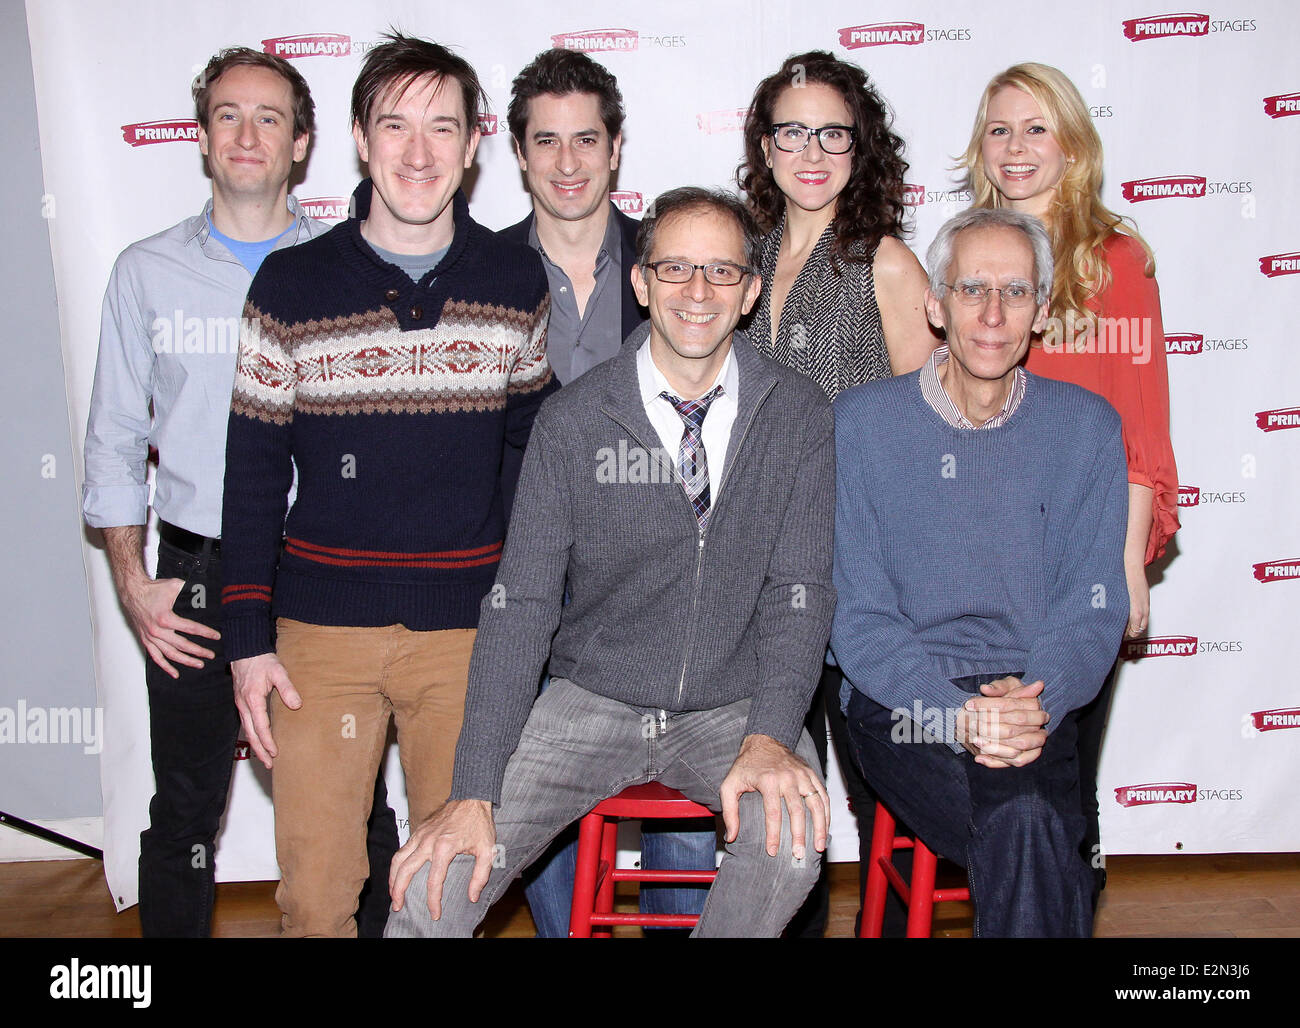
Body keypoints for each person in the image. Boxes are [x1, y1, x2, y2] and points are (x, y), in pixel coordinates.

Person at [384, 187, 833, 939]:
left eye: (723, 272)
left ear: (752, 291)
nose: (697, 292)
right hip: (591, 698)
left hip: (736, 705)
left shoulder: (799, 414)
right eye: (675, 268)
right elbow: (521, 603)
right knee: (438, 880)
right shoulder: (573, 420)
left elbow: (801, 590)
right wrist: (472, 790)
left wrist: (771, 737)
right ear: (641, 281)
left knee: (788, 845)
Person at [218, 33, 555, 937]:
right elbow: (250, 474)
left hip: (467, 638)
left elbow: (535, 453)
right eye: (394, 125)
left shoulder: (514, 277)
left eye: (442, 127)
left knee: (449, 896)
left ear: (475, 144)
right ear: (360, 142)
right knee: (318, 901)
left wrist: (536, 609)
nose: (418, 152)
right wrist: (247, 638)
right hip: (320, 637)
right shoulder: (291, 283)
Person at [81, 46, 398, 938]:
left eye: (269, 118)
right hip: (194, 573)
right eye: (228, 114)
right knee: (183, 808)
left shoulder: (348, 265)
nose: (247, 133)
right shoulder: (144, 273)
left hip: (323, 573)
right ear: (203, 137)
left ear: (302, 144)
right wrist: (135, 583)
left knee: (358, 805)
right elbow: (111, 438)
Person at [832, 206, 1129, 937]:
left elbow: (1093, 604)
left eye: (1016, 292)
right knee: (1034, 824)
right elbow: (859, 616)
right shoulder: (862, 424)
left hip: (1031, 694)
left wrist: (1032, 701)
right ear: (935, 304)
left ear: (1042, 310)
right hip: (902, 702)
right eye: (971, 290)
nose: (993, 313)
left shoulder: (1086, 426)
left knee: (1023, 820)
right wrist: (956, 712)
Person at [499, 47, 716, 937]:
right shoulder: (485, 275)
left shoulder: (676, 271)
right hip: (528, 584)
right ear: (518, 154)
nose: (566, 162)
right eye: (545, 141)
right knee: (530, 793)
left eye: (585, 139)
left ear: (617, 149)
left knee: (683, 816)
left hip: (664, 588)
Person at [961, 62, 1179, 904]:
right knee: (1001, 774)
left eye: (1036, 127)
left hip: (1082, 557)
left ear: (1073, 143)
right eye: (999, 128)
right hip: (983, 563)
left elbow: (1140, 427)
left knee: (1067, 782)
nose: (1016, 148)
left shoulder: (1117, 262)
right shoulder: (970, 255)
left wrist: (1126, 563)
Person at [739, 49, 936, 934]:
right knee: (786, 794)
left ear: (861, 147)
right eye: (793, 131)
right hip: (758, 575)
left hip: (861, 571)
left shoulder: (884, 261)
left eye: (833, 132)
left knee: (883, 789)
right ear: (766, 145)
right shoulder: (747, 257)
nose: (811, 151)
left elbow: (937, 433)